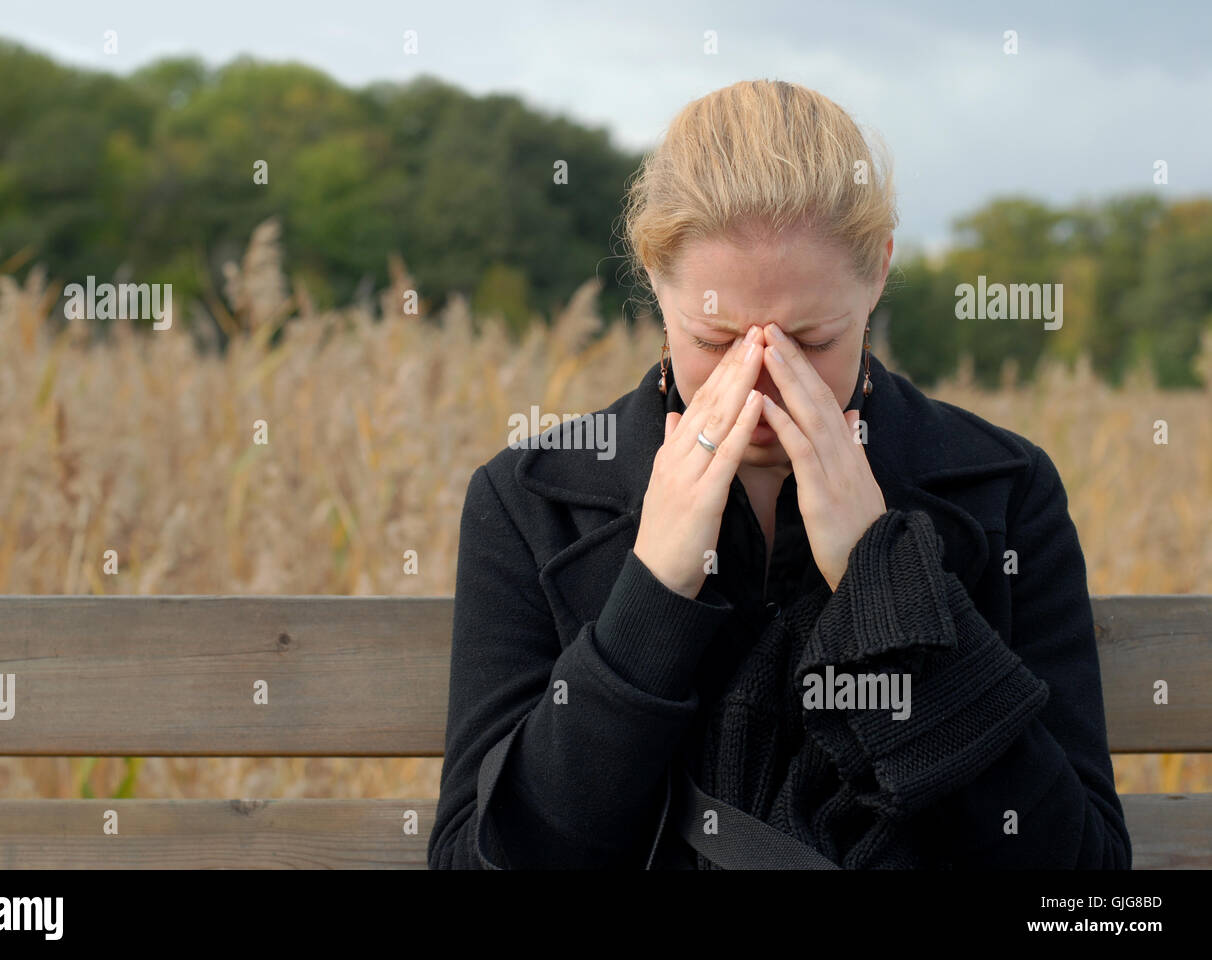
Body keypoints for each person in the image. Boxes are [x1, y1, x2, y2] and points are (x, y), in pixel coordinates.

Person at [427, 79, 1131, 869]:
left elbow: (1085, 883)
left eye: (813, 340)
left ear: (878, 277)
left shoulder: (1001, 490)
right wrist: (653, 594)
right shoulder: (532, 501)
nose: (761, 384)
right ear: (655, 281)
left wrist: (884, 590)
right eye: (717, 340)